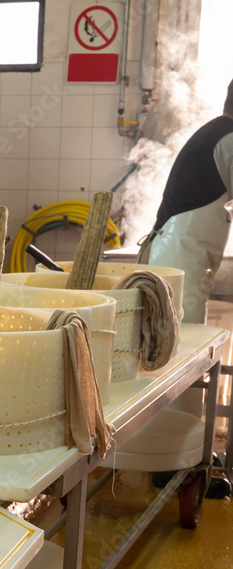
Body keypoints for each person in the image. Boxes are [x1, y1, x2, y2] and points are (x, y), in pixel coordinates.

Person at [139, 78, 233, 498]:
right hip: (180, 264)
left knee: (178, 357)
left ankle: (181, 456)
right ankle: (174, 463)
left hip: (181, 259)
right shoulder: (228, 139)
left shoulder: (217, 131)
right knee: (183, 360)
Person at [140, 78, 233, 323]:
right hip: (180, 257)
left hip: (180, 254)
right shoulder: (229, 140)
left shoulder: (216, 131)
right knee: (181, 342)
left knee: (178, 338)